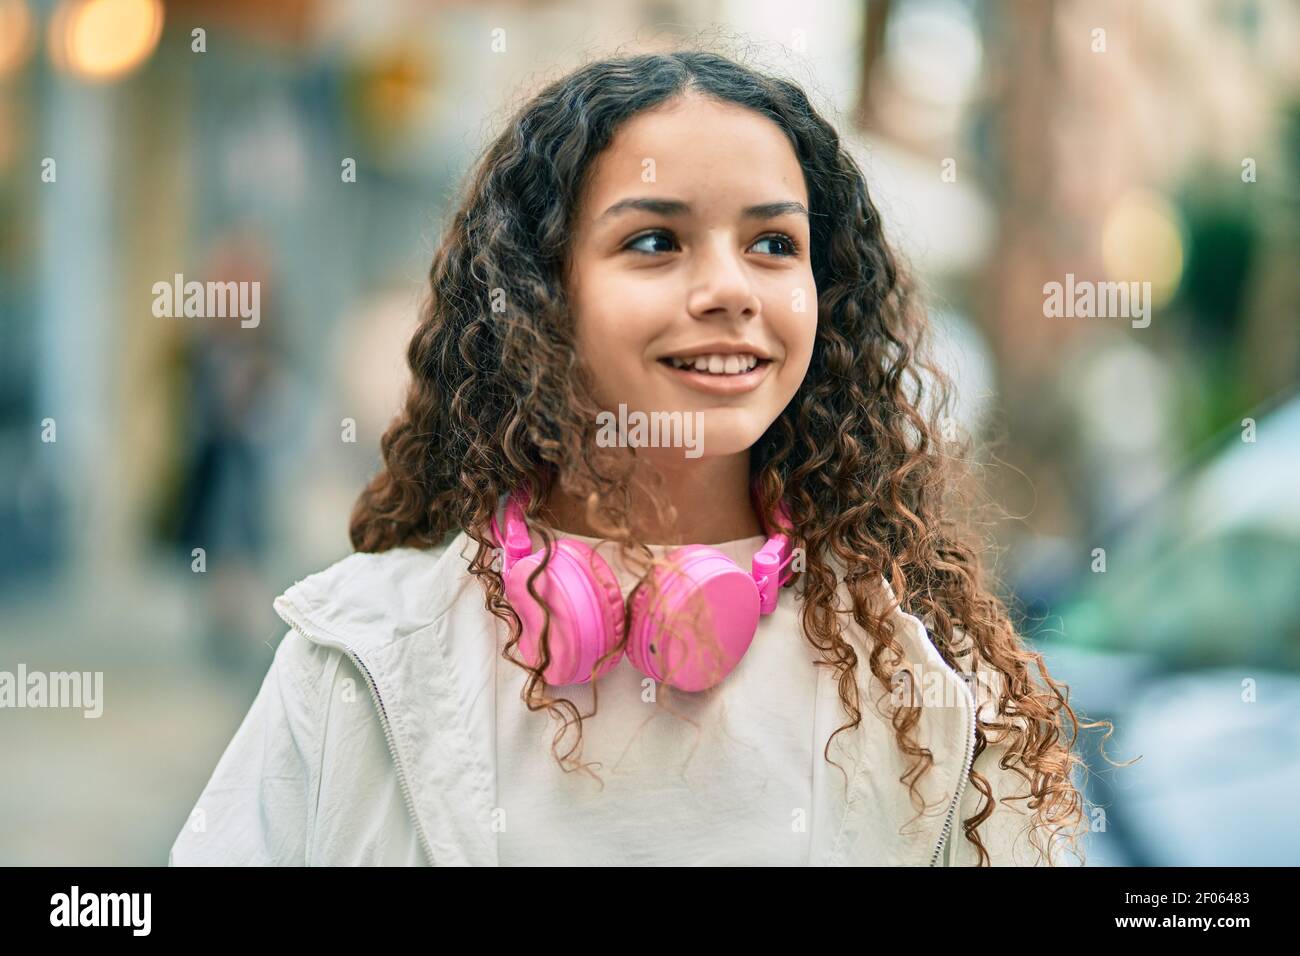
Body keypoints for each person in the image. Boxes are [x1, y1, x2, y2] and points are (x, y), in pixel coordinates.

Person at [170, 48, 1093, 867]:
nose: (730, 287)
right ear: (542, 295)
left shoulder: (927, 686)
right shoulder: (356, 661)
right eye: (655, 241)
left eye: (775, 243)